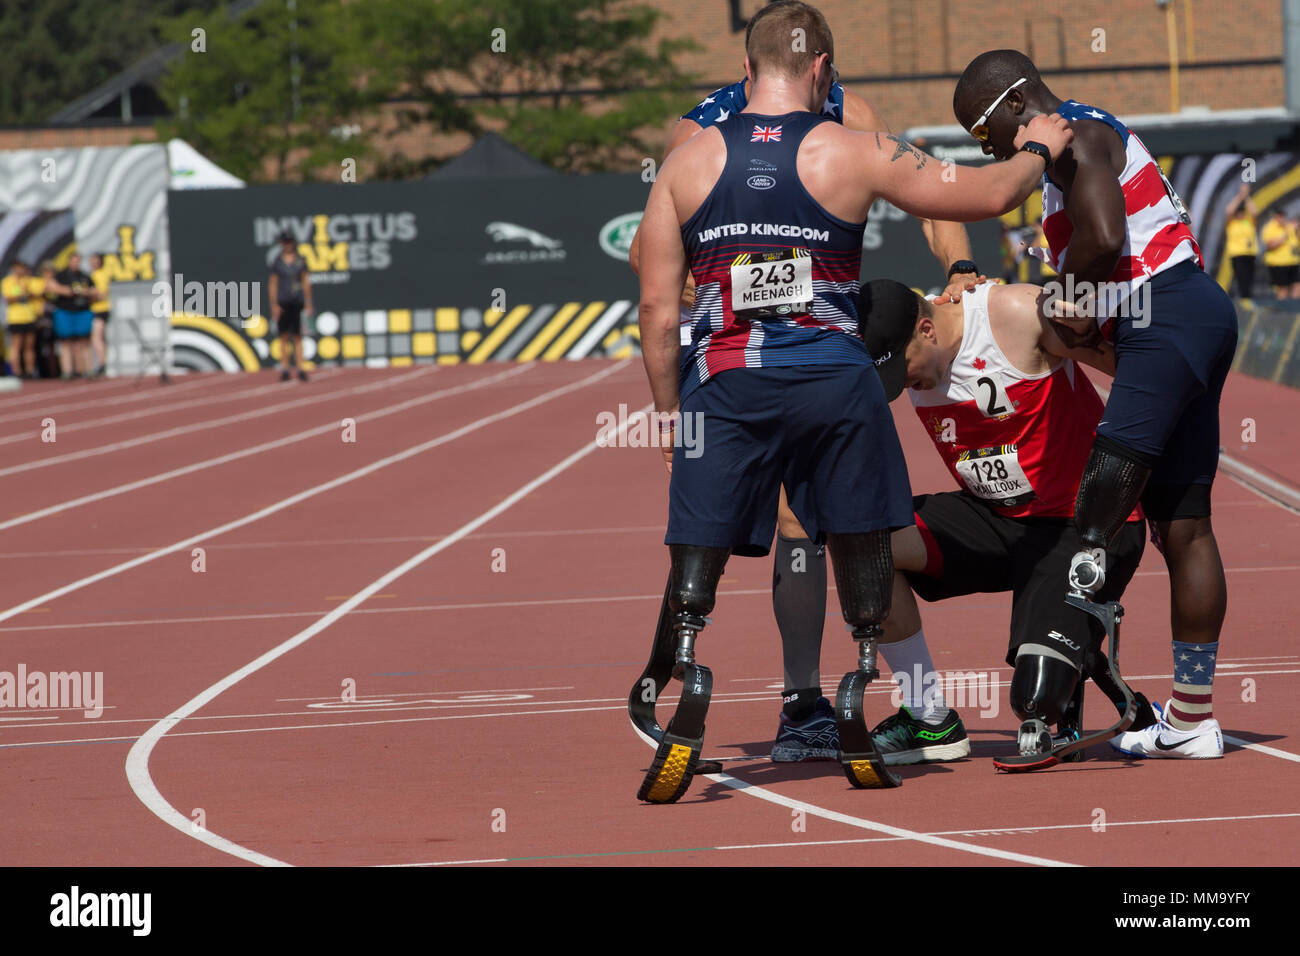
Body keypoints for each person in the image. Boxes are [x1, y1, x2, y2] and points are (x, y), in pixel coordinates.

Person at [634, 1, 1073, 800]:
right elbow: (961, 188)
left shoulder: (712, 151)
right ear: (820, 69)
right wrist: (1039, 151)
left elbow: (654, 298)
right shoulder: (763, 135)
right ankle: (839, 685)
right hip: (822, 373)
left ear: (749, 67)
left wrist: (963, 267)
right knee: (845, 522)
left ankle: (699, 673)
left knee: (773, 526)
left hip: (726, 376)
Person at [953, 49, 1235, 758]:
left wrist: (1067, 298)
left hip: (1163, 316)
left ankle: (1056, 700)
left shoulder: (1072, 136)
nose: (987, 151)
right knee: (1184, 527)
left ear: (1013, 106)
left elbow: (1106, 239)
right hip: (1192, 311)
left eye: (983, 136)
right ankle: (1192, 717)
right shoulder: (1083, 141)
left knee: (1092, 521)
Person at [843, 278, 1159, 764]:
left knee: (1034, 701)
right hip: (994, 519)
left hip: (1082, 527)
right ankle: (929, 718)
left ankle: (1085, 654)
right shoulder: (908, 313)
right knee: (859, 538)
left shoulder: (1013, 313)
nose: (904, 385)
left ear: (927, 329)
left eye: (902, 369)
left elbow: (1135, 365)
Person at [268, 231, 312, 382]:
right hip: (283, 302)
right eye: (285, 242)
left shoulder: (300, 260)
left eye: (290, 242)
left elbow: (305, 281)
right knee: (284, 336)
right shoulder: (277, 262)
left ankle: (301, 368)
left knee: (298, 336)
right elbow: (273, 283)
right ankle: (285, 368)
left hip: (297, 301)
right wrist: (274, 304)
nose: (288, 245)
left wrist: (308, 302)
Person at [47, 253, 97, 379]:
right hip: (65, 311)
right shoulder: (61, 275)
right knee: (65, 341)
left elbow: (95, 291)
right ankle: (67, 371)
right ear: (69, 261)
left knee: (84, 341)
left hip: (82, 311)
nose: (75, 264)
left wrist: (84, 292)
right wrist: (69, 291)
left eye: (77, 261)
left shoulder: (84, 276)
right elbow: (51, 287)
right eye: (73, 261)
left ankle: (87, 370)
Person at [2, 262, 38, 378]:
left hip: (29, 316)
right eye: (19, 268)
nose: (21, 271)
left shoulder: (27, 280)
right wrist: (20, 290)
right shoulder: (8, 281)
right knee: (16, 345)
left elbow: (34, 293)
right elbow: (9, 298)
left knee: (30, 346)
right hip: (16, 318)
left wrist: (27, 289)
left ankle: (30, 371)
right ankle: (17, 371)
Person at [1223, 184, 1258, 299]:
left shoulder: (1248, 222)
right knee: (1241, 279)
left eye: (1242, 212)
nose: (1241, 214)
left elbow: (1254, 212)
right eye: (1239, 212)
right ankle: (1244, 300)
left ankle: (1248, 300)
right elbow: (1229, 211)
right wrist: (1240, 196)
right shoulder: (1231, 223)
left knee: (1249, 280)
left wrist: (1246, 197)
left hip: (1250, 253)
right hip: (1237, 254)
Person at [1260, 208, 1296, 300]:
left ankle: (1294, 309)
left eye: (1283, 216)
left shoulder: (1290, 226)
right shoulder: (1269, 228)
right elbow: (1270, 245)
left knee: (1296, 285)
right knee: (1282, 288)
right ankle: (1282, 309)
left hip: (1293, 261)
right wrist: (1284, 235)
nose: (1282, 218)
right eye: (1279, 216)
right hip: (1278, 263)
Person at [89, 253, 112, 377]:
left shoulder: (100, 275)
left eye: (95, 260)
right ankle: (102, 362)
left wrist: (87, 293)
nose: (93, 263)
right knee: (100, 338)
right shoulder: (95, 274)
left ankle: (102, 363)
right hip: (98, 309)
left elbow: (101, 294)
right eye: (91, 260)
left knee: (96, 337)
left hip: (101, 309)